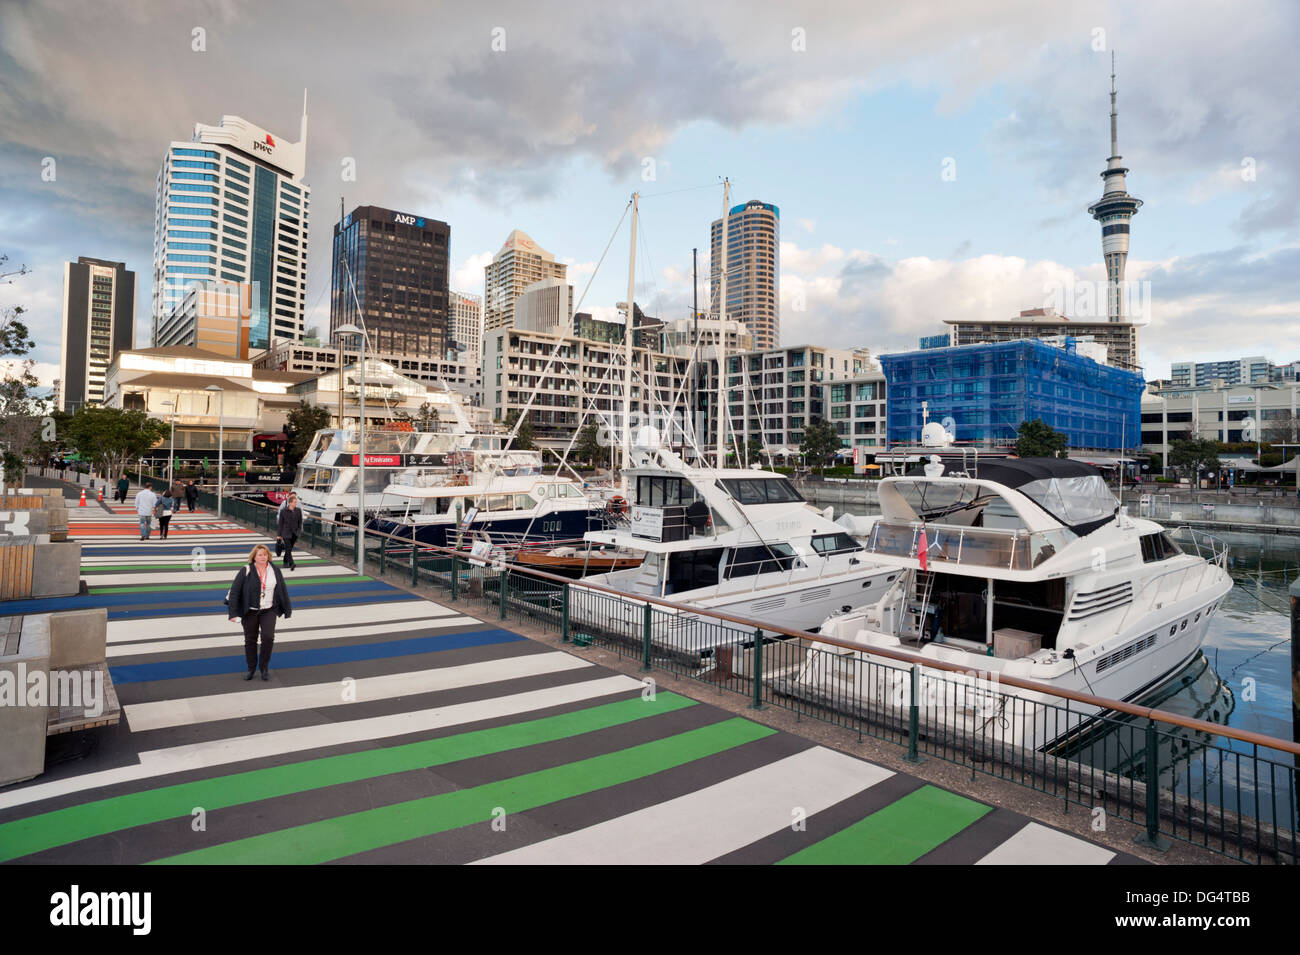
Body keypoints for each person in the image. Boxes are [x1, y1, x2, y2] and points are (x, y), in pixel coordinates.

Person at [226, 544, 292, 681]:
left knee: (268, 637)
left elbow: (282, 590)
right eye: (260, 555)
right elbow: (234, 592)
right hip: (250, 611)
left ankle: (264, 667)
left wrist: (287, 608)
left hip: (268, 610)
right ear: (254, 557)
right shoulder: (246, 570)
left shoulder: (275, 570)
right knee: (250, 640)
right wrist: (232, 613)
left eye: (265, 554)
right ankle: (251, 668)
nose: (263, 557)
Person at [277, 493, 302, 570]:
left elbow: (300, 522)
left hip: (295, 533)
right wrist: (279, 535)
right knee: (288, 548)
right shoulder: (283, 511)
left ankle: (285, 561)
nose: (296, 503)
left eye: (296, 502)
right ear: (290, 502)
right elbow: (280, 524)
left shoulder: (298, 510)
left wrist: (298, 531)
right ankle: (291, 563)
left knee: (289, 548)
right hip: (286, 532)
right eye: (294, 502)